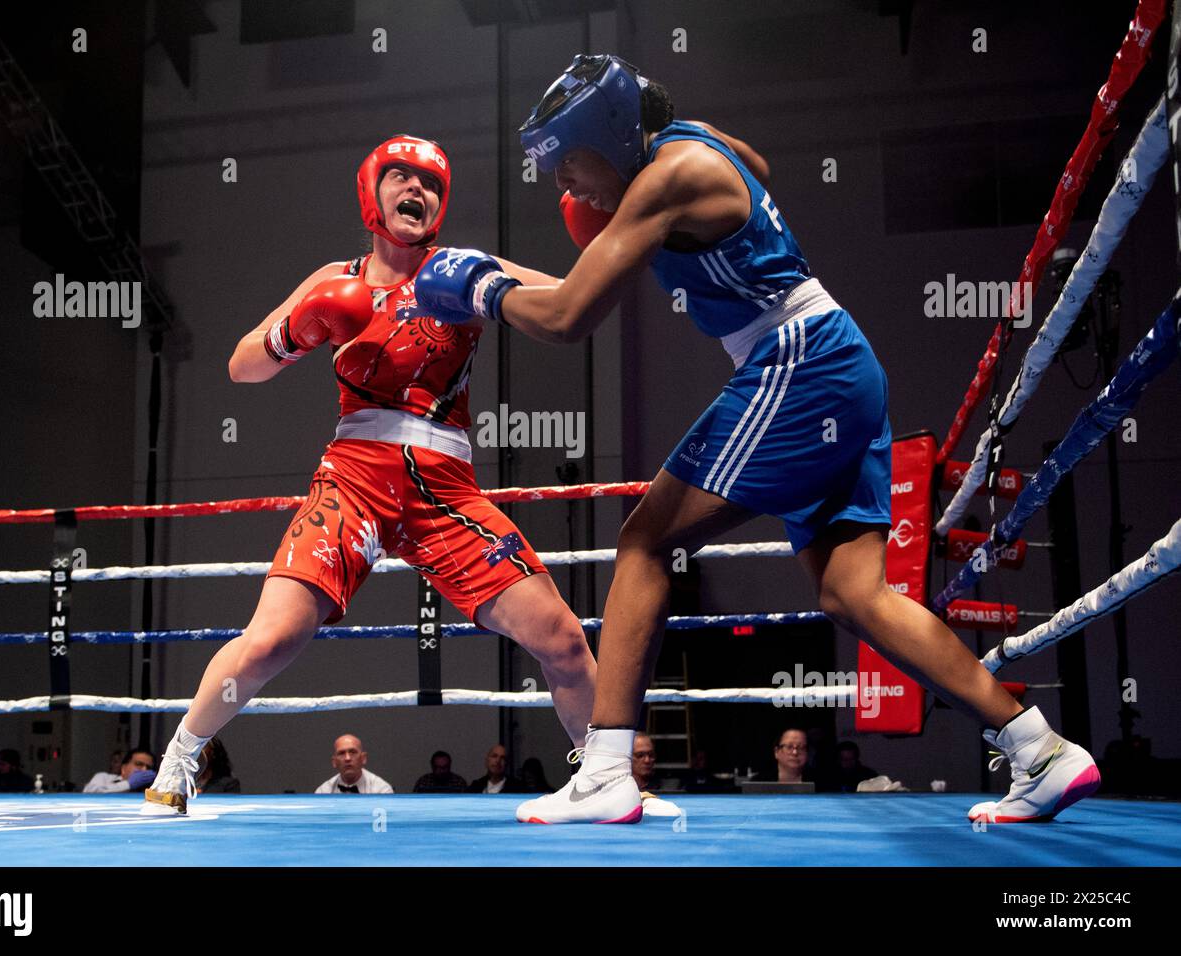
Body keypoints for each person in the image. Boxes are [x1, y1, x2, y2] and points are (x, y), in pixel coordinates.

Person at [404, 54, 1100, 825]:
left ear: (605, 132)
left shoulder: (666, 177)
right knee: (851, 593)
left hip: (798, 363)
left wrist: (478, 290)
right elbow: (733, 181)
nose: (568, 189)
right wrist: (488, 270)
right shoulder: (688, 151)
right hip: (837, 361)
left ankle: (605, 772)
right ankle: (1042, 750)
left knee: (644, 542)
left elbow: (569, 319)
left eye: (570, 165)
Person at [142, 135, 597, 815]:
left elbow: (571, 305)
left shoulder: (463, 268)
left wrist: (617, 238)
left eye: (432, 183)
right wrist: (301, 326)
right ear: (371, 192)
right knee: (273, 638)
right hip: (354, 476)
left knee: (561, 637)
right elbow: (241, 364)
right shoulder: (335, 276)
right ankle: (181, 758)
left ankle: (601, 773)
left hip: (446, 487)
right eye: (401, 177)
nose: (417, 190)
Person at [314, 734, 393, 794]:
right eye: (341, 753)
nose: (347, 758)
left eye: (353, 752)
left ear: (363, 758)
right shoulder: (323, 792)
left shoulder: (382, 791)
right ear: (334, 762)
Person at [82, 749, 156, 793]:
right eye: (139, 764)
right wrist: (128, 784)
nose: (144, 770)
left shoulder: (154, 789)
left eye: (148, 767)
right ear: (123, 768)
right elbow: (88, 792)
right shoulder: (104, 778)